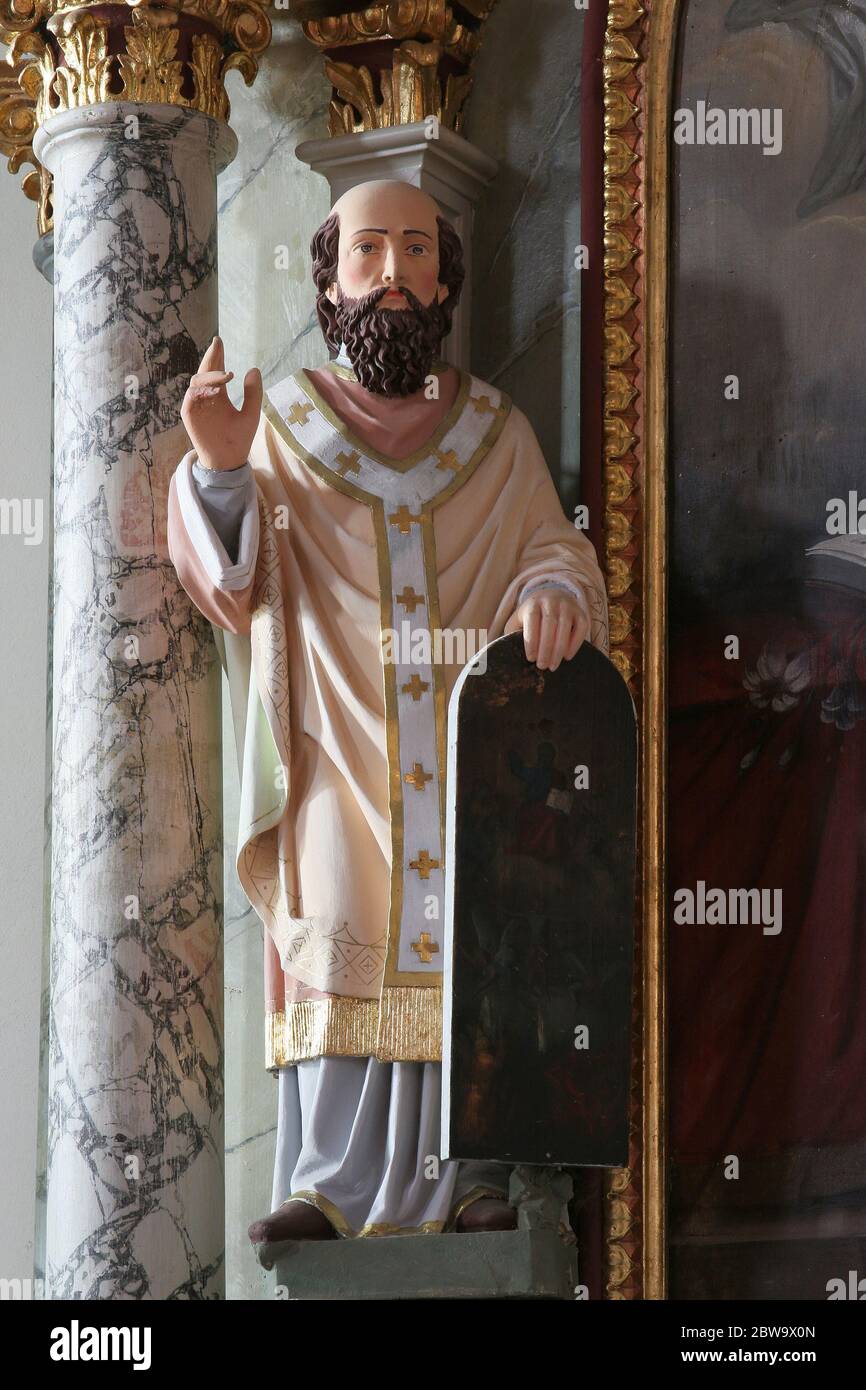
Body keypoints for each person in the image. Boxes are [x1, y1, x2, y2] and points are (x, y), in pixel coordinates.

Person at [167, 178, 609, 1245]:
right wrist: (223, 470)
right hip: (334, 746)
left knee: (471, 943)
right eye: (368, 252)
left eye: (417, 252)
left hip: (465, 759)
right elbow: (227, 582)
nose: (395, 276)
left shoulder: (493, 436)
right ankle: (326, 1181)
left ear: (447, 279)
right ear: (328, 280)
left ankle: (469, 1176)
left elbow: (551, 543)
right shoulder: (284, 428)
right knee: (335, 934)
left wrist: (551, 590)